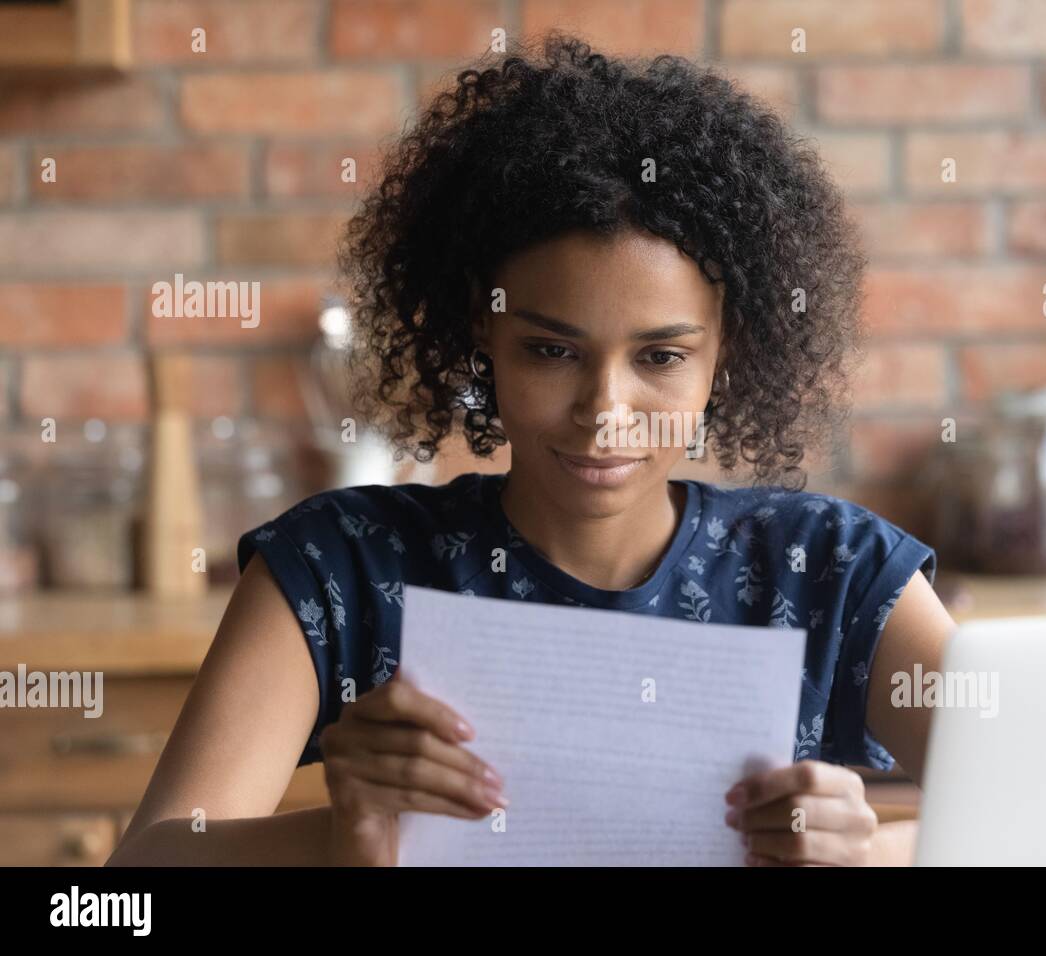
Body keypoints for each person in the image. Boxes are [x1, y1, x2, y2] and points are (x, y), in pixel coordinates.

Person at [108, 32, 956, 867]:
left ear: (725, 350)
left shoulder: (831, 574)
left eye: (660, 357)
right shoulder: (343, 569)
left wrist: (874, 856)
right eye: (552, 351)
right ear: (482, 325)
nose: (604, 414)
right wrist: (348, 833)